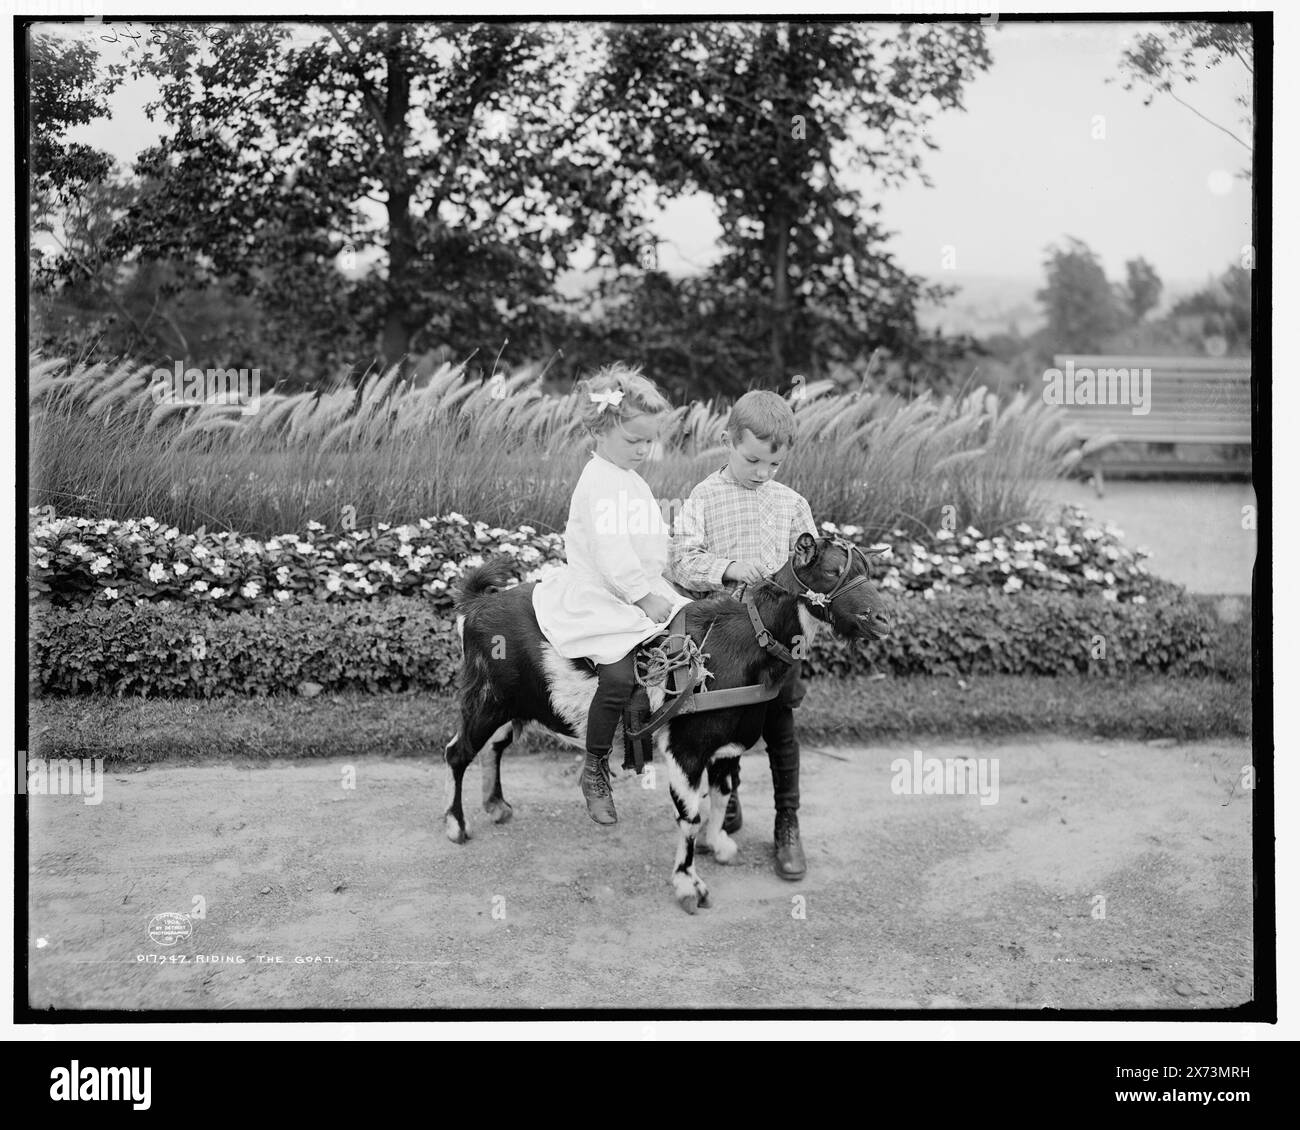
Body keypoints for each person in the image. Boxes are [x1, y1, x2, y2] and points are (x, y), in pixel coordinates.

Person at [532, 363, 693, 825]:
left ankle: (686, 741)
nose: (644, 449)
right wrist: (643, 597)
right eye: (634, 441)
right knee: (619, 675)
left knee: (696, 639)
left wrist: (669, 562)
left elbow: (646, 535)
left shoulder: (628, 476)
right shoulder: (599, 481)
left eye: (649, 441)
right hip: (603, 597)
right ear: (600, 431)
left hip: (640, 589)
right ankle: (596, 766)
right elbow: (611, 553)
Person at [667, 390, 817, 879]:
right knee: (718, 729)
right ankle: (723, 807)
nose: (762, 472)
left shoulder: (793, 505)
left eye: (774, 464)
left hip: (776, 648)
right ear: (728, 440)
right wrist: (729, 568)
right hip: (724, 645)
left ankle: (787, 824)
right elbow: (682, 561)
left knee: (779, 730)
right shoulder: (705, 497)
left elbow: (811, 577)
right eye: (752, 459)